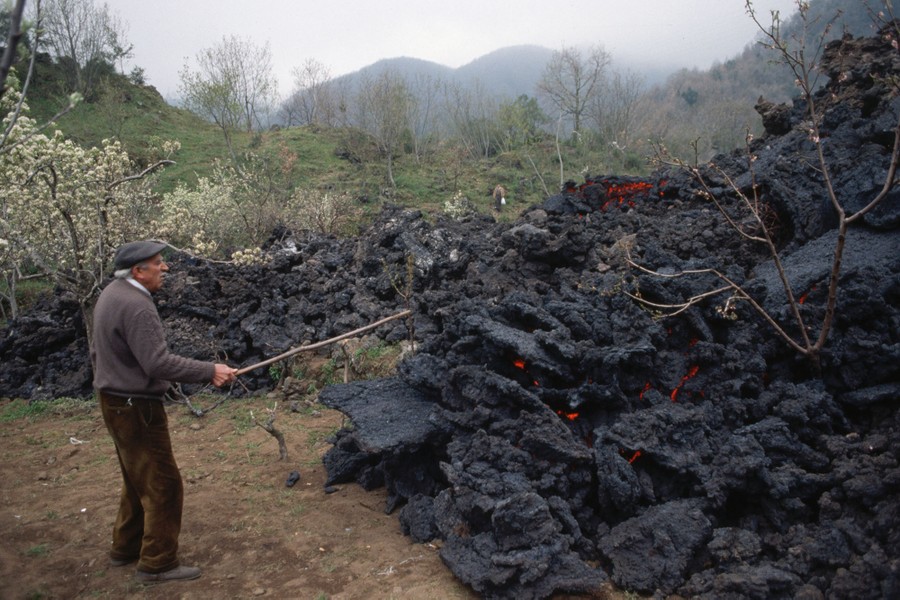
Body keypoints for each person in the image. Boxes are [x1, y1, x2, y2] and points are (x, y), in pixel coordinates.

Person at [91, 240, 237, 584]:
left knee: (135, 478)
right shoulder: (137, 305)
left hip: (113, 401)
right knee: (164, 484)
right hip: (136, 407)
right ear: (138, 271)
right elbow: (157, 362)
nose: (165, 268)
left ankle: (125, 548)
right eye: (158, 263)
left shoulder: (111, 293)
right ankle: (158, 563)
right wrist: (210, 370)